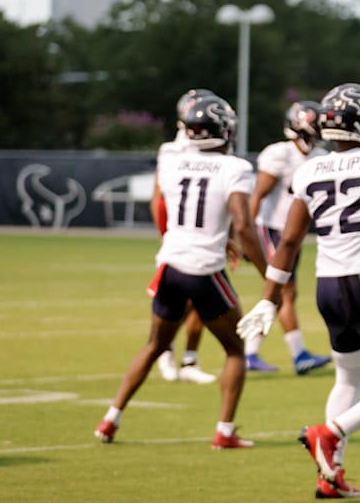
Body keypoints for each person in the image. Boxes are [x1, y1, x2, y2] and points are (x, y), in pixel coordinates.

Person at [236, 83, 360, 499]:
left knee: (348, 378)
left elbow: (289, 241)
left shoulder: (310, 170)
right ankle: (330, 433)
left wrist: (269, 298)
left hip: (327, 287)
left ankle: (329, 476)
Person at [96, 95, 260, 448]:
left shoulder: (172, 163)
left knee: (155, 345)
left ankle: (110, 419)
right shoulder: (235, 168)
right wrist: (269, 271)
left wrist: (215, 238)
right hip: (204, 270)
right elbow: (244, 224)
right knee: (236, 348)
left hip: (171, 263)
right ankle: (225, 432)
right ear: (225, 130)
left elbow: (170, 209)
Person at [243, 100, 333, 375]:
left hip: (294, 232)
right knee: (281, 291)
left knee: (281, 293)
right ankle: (298, 354)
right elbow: (258, 195)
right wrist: (246, 236)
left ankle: (251, 353)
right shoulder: (280, 154)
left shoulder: (319, 157)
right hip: (272, 229)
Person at [148, 88, 220, 385]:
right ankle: (165, 350)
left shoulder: (214, 149)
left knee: (200, 301)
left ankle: (190, 359)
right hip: (180, 235)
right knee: (175, 302)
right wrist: (166, 232)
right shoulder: (172, 151)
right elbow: (158, 198)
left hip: (205, 235)